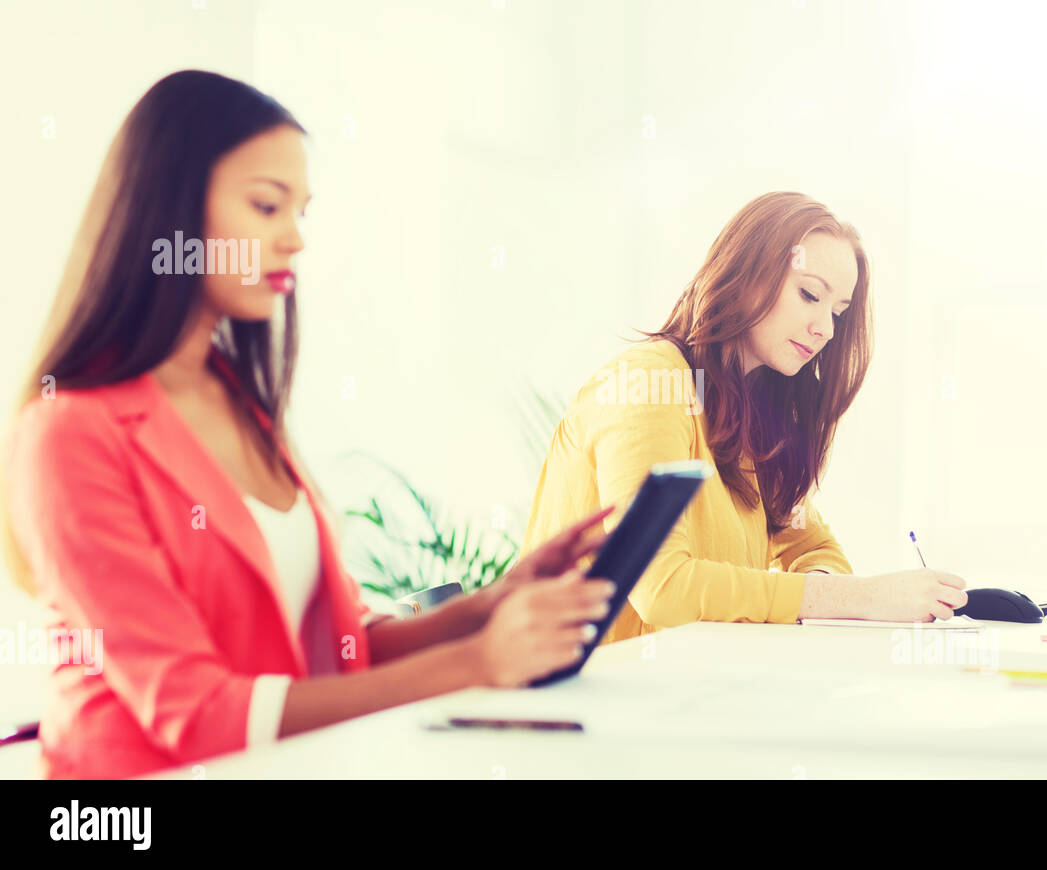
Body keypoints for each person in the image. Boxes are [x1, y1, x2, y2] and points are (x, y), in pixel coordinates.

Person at [0, 70, 613, 779]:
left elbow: (338, 647)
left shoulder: (242, 402)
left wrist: (491, 608)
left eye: (301, 211)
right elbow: (198, 716)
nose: (294, 239)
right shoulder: (67, 435)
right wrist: (475, 664)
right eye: (266, 206)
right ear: (167, 212)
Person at [522, 191, 966, 645]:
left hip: (676, 695)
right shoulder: (651, 382)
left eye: (837, 312)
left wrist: (831, 589)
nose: (826, 329)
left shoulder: (750, 422)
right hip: (579, 701)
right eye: (809, 294)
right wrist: (859, 598)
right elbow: (662, 587)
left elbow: (815, 548)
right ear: (746, 273)